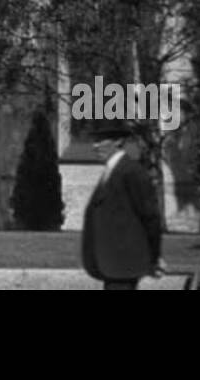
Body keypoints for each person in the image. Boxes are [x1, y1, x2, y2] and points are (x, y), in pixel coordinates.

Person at [81, 121, 165, 290]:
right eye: (94, 141)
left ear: (118, 141)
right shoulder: (111, 171)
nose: (95, 146)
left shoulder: (131, 171)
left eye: (101, 140)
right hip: (111, 264)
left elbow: (150, 217)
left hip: (124, 265)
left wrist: (154, 256)